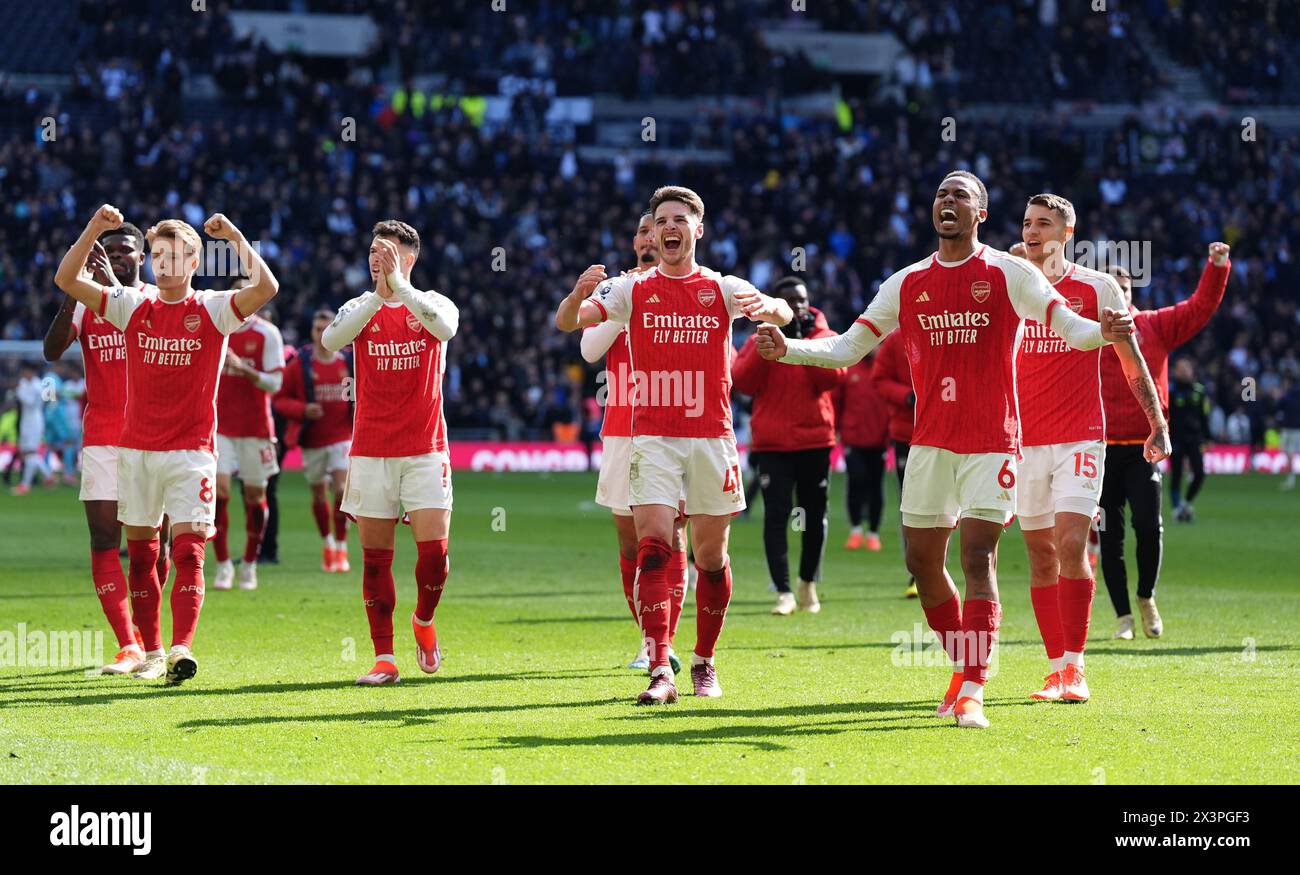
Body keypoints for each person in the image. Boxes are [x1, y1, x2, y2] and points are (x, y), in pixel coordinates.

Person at [756, 170, 1134, 729]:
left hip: (992, 442)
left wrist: (1106, 328)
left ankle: (974, 689)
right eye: (940, 194)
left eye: (960, 195)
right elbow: (846, 349)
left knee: (977, 557)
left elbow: (1073, 329)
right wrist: (786, 349)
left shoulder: (1012, 274)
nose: (947, 201)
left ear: (980, 214)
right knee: (921, 564)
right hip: (929, 443)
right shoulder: (907, 283)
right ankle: (964, 664)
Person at [555, 185, 793, 704]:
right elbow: (569, 322)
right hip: (652, 439)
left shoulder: (723, 288)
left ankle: (704, 661)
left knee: (711, 557)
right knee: (656, 548)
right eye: (661, 218)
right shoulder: (633, 289)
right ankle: (661, 668)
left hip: (711, 437)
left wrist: (771, 305)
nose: (669, 226)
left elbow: (784, 312)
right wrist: (577, 295)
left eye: (679, 218)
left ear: (697, 229)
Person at [54, 204, 279, 685]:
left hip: (192, 452)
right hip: (134, 451)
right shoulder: (133, 306)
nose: (164, 264)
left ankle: (180, 648)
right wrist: (94, 227)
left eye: (175, 256)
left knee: (189, 553)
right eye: (158, 255)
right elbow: (67, 281)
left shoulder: (214, 308)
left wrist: (236, 236)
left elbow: (267, 289)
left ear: (194, 263)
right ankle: (151, 651)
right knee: (139, 555)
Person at [1009, 193, 1169, 705]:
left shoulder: (1098, 288)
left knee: (1071, 544)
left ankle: (1075, 670)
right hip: (1022, 442)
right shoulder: (1008, 282)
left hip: (1081, 437)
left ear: (1067, 232)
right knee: (1038, 556)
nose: (1034, 231)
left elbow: (1131, 358)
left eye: (1045, 224)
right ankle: (1054, 669)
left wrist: (1157, 424)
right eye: (1029, 223)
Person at [321, 220, 459, 686]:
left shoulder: (433, 303)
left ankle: (423, 620)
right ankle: (384, 658)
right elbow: (331, 341)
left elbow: (446, 327)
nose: (378, 260)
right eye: (373, 253)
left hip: (425, 448)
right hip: (371, 450)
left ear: (410, 259)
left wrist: (400, 287)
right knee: (375, 559)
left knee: (435, 556)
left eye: (388, 253)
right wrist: (380, 295)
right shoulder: (360, 308)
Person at [43, 221, 165, 673]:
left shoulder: (156, 300)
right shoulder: (87, 304)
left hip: (154, 437)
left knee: (154, 543)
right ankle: (128, 642)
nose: (116, 255)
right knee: (103, 538)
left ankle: (152, 637)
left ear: (142, 256)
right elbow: (52, 351)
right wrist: (77, 289)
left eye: (125, 249)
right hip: (102, 437)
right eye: (108, 250)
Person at [1098, 245, 1231, 640]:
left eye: (1123, 287)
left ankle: (1146, 598)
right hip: (1099, 451)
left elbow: (1200, 307)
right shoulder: (1085, 333)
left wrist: (1217, 267)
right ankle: (1123, 617)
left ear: (1131, 294)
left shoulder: (1155, 326)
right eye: (1109, 287)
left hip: (1145, 448)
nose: (1117, 293)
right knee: (1109, 535)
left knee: (1149, 526)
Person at [578, 212, 687, 672]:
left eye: (655, 230)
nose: (649, 237)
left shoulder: (690, 287)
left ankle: (666, 643)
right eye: (642, 231)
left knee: (672, 536)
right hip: (623, 426)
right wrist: (627, 301)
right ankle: (647, 638)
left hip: (676, 426)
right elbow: (588, 350)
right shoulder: (618, 290)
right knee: (630, 543)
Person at [733, 276, 844, 615]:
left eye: (800, 299)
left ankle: (807, 583)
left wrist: (798, 345)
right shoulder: (760, 338)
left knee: (813, 517)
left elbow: (832, 378)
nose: (795, 306)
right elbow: (744, 382)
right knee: (776, 517)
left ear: (808, 303)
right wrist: (766, 339)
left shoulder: (823, 337)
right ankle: (783, 590)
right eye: (788, 300)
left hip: (814, 441)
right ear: (776, 305)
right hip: (773, 444)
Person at [211, 304, 285, 591]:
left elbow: (275, 384)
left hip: (256, 428)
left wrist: (242, 368)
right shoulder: (216, 326)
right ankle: (223, 565)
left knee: (255, 495)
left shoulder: (267, 334)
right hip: (220, 427)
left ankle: (250, 563)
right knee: (218, 492)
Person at [275, 308, 354, 573]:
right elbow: (279, 399)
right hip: (312, 441)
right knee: (319, 493)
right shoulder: (301, 364)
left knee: (342, 491)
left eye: (327, 328)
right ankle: (327, 542)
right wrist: (302, 410)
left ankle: (342, 547)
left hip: (343, 437)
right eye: (317, 329)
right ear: (311, 332)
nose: (322, 334)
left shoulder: (349, 362)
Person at [871, 330, 918, 598]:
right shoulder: (897, 339)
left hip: (948, 434)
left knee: (947, 506)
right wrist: (906, 396)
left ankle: (935, 569)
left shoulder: (952, 328)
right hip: (907, 435)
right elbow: (879, 378)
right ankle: (917, 572)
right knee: (910, 505)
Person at [836, 351, 890, 555]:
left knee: (876, 487)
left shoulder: (883, 369)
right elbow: (837, 401)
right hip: (853, 439)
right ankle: (856, 530)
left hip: (879, 440)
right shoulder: (850, 368)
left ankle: (874, 533)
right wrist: (838, 429)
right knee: (856, 481)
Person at [1168, 357, 1210, 522]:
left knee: (1199, 472)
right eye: (1181, 368)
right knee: (1177, 474)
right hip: (1176, 438)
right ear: (1175, 371)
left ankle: (1185, 503)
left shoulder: (1199, 391)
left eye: (1187, 368)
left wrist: (1208, 437)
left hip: (1194, 439)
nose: (1185, 371)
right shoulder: (1170, 390)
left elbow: (1204, 415)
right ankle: (1177, 509)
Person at [10, 363, 53, 495]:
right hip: (25, 420)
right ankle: (48, 477)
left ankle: (25, 485)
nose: (25, 374)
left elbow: (30, 403)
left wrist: (17, 391)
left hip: (34, 421)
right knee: (26, 452)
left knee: (31, 453)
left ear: (32, 372)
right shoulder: (23, 382)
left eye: (27, 371)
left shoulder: (38, 385)